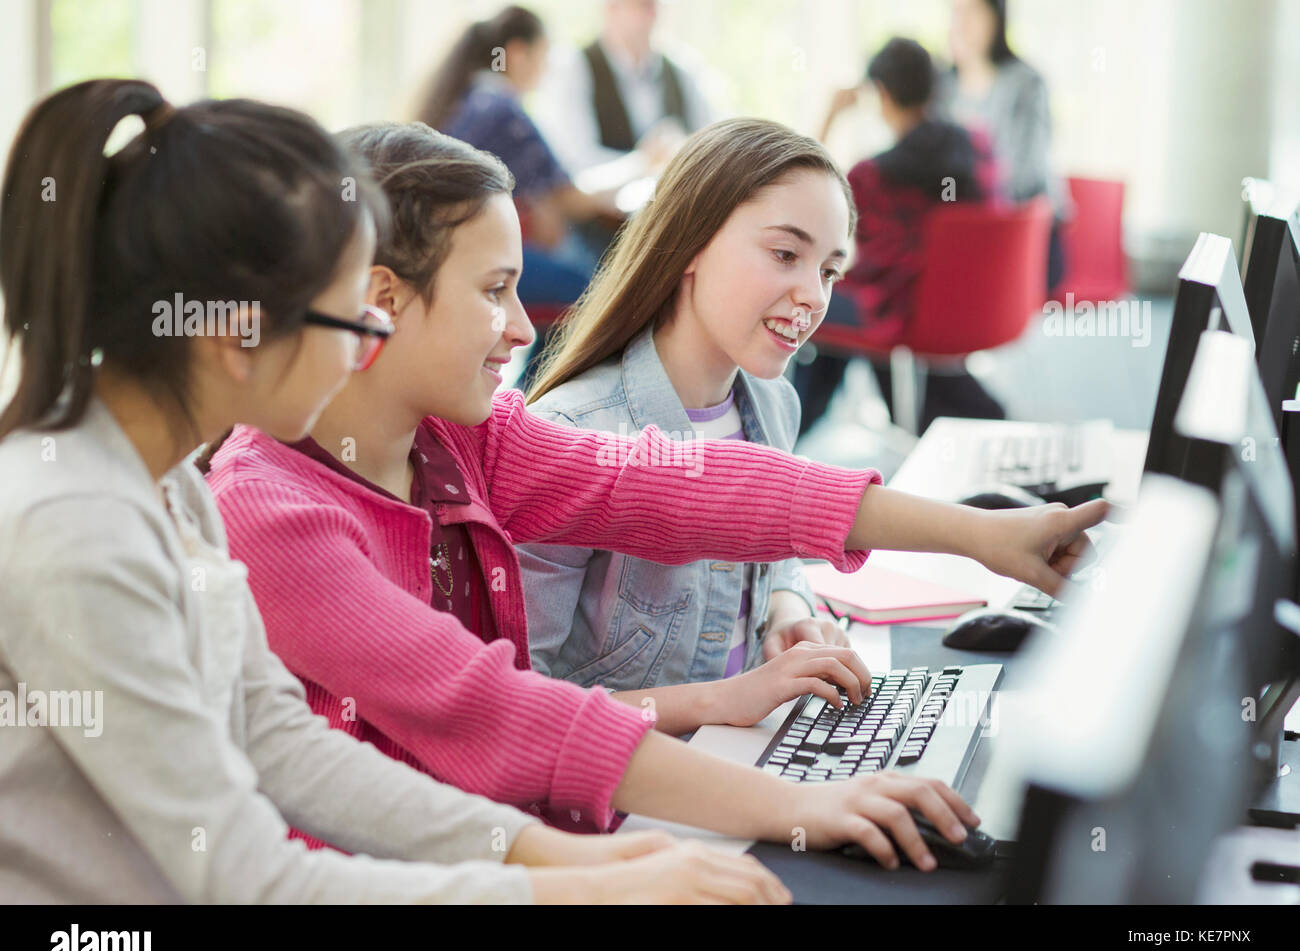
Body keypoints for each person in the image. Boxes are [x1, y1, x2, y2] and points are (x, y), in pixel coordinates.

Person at [204, 120, 1106, 872]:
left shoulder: (463, 438)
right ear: (383, 303)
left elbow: (684, 486)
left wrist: (984, 536)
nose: (524, 329)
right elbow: (500, 710)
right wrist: (806, 803)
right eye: (496, 291)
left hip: (530, 846)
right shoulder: (273, 512)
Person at [0, 78, 792, 905]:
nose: (361, 350)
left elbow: (282, 744)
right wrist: (572, 889)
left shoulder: (166, 487)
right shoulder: (75, 528)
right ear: (240, 337)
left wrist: (572, 861)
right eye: (349, 319)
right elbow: (248, 878)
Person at [517, 120, 859, 722]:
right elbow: (522, 709)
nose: (814, 295)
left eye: (829, 270)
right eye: (786, 255)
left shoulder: (773, 404)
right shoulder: (571, 431)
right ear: (692, 241)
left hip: (744, 752)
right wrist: (723, 701)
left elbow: (771, 548)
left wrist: (786, 606)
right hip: (629, 799)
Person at [798, 37, 1003, 437]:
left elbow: (803, 200)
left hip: (904, 312)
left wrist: (830, 116)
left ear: (882, 94)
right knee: (846, 302)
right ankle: (909, 414)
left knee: (812, 300)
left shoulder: (873, 175)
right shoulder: (978, 147)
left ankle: (787, 429)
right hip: (971, 304)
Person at [418, 5, 621, 272]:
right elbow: (571, 200)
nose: (546, 68)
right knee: (591, 282)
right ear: (517, 53)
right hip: (473, 255)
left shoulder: (472, 99)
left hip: (448, 249)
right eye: (544, 54)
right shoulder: (504, 111)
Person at [935, 0, 1069, 289]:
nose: (961, 23)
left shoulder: (1027, 83)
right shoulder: (943, 85)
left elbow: (1025, 172)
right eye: (955, 13)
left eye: (972, 12)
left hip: (1025, 235)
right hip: (965, 231)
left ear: (996, 18)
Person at [533, 0, 715, 177]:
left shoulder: (684, 70)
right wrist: (642, 163)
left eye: (660, 4)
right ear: (611, 8)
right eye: (643, 5)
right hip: (601, 206)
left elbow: (712, 144)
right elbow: (575, 161)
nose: (654, 13)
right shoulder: (573, 68)